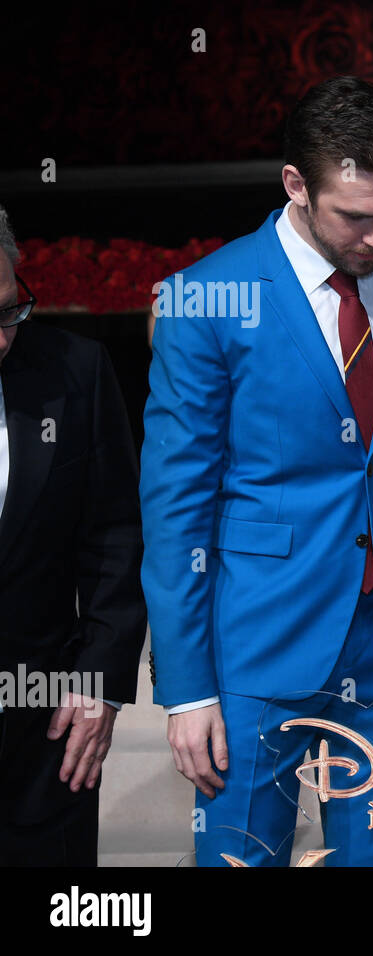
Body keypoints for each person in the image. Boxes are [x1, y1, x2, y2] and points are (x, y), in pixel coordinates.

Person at [141, 76, 373, 867]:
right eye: (356, 216)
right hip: (254, 643)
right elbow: (175, 505)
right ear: (296, 186)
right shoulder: (205, 300)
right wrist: (189, 689)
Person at [0, 204, 147, 865]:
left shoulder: (75, 370)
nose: (1, 337)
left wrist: (101, 681)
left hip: (45, 739)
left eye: (8, 309)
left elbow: (115, 536)